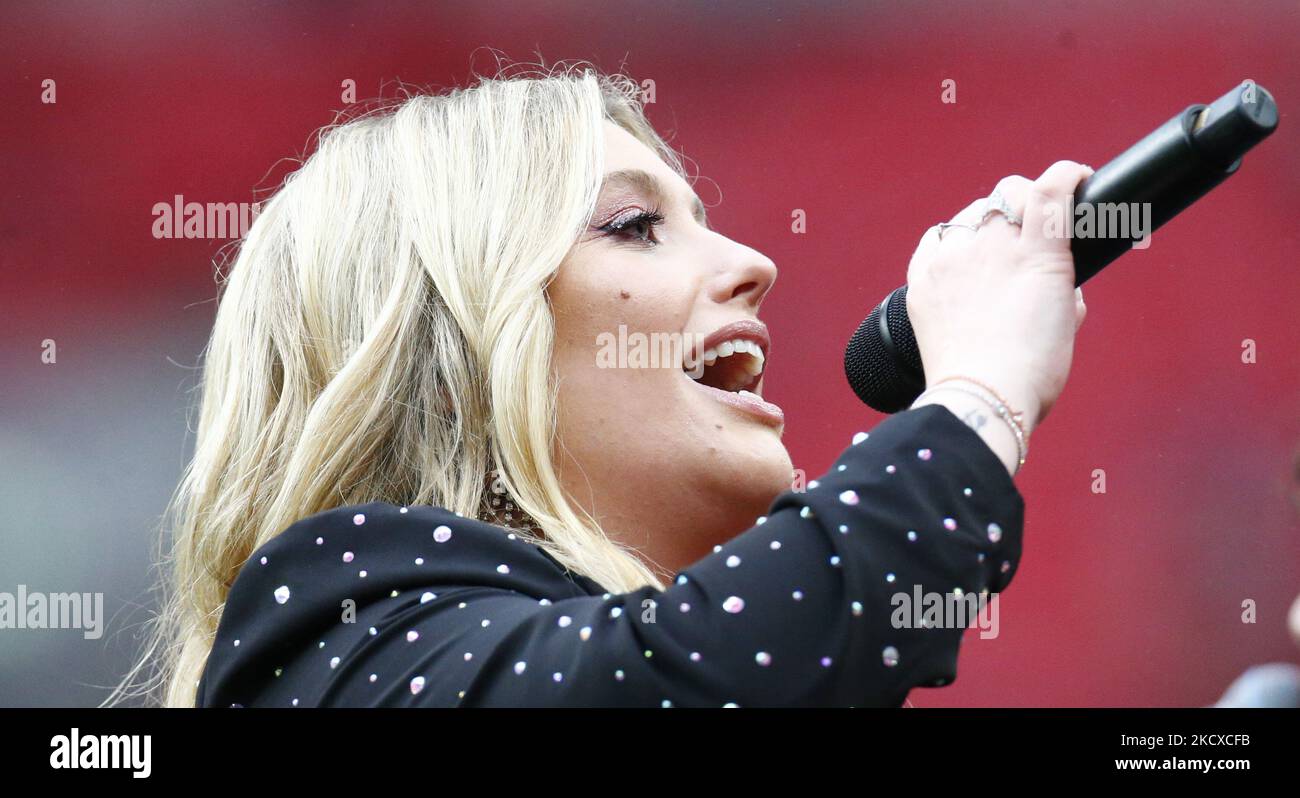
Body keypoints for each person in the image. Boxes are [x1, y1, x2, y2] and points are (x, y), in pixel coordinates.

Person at [114, 62, 1090, 708]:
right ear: (444, 359)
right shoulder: (339, 643)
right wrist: (975, 397)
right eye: (631, 226)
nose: (754, 261)